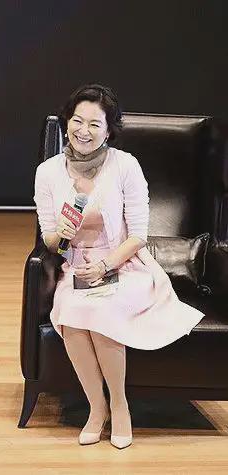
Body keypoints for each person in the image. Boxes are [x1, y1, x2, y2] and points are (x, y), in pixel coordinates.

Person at [33, 84, 203, 449]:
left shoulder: (125, 166)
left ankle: (120, 405)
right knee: (71, 312)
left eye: (95, 124)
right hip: (77, 268)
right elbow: (50, 240)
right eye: (77, 121)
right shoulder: (48, 172)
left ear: (109, 130)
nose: (83, 131)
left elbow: (138, 235)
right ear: (66, 123)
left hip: (124, 264)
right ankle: (97, 408)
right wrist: (60, 236)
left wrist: (106, 265)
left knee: (103, 312)